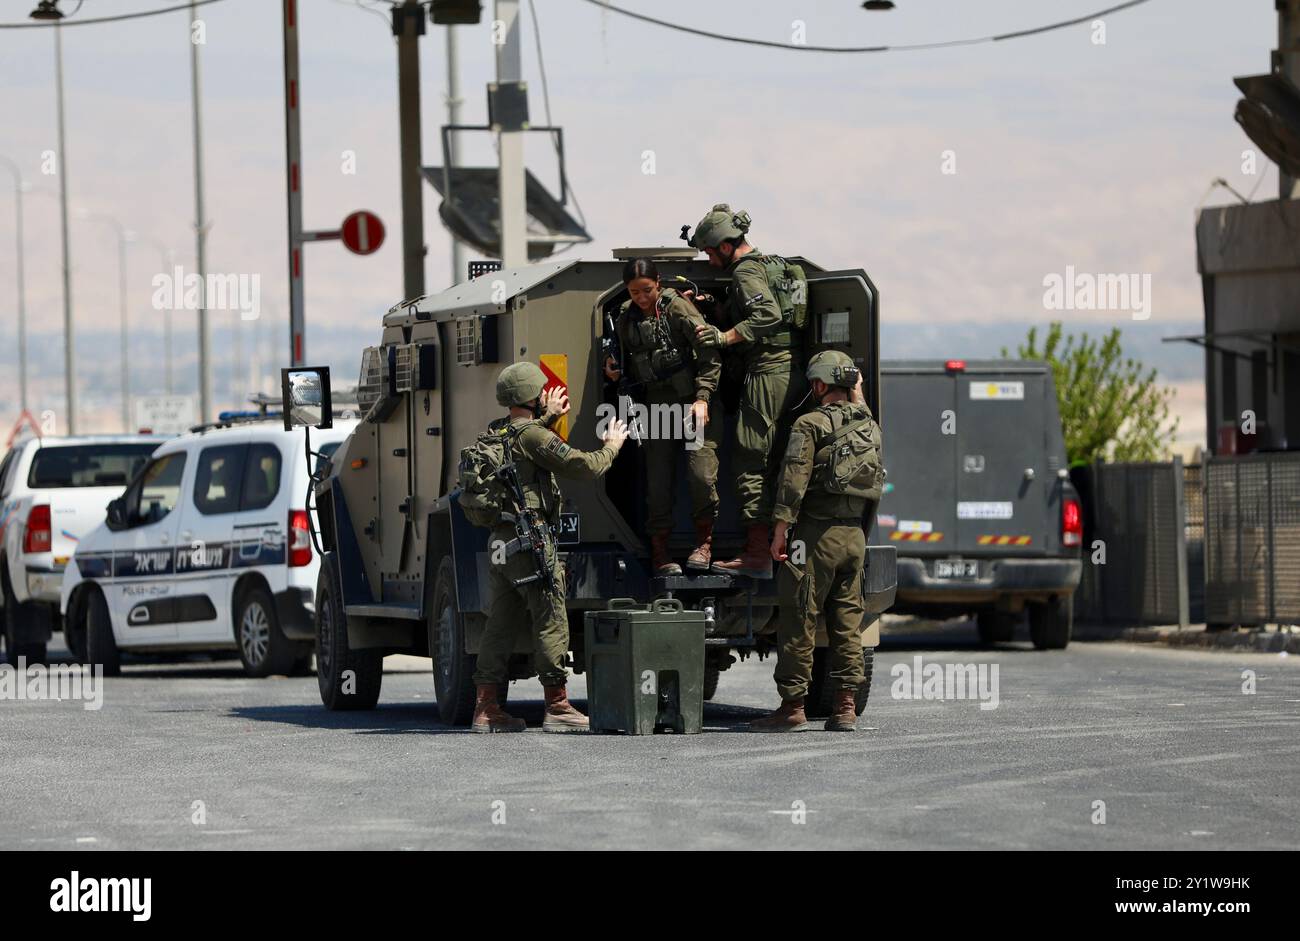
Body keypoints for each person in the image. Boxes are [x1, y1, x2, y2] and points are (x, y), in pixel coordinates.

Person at [471, 362, 629, 734]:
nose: (547, 392)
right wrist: (612, 446)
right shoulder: (535, 437)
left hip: (501, 542)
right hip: (530, 542)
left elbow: (526, 448)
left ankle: (486, 707)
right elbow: (583, 465)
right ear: (530, 395)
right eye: (541, 389)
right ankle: (557, 705)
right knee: (551, 616)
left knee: (501, 623)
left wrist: (546, 417)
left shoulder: (497, 432)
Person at [750, 351, 882, 733]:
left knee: (799, 616)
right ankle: (845, 707)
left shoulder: (809, 424)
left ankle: (792, 707)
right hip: (854, 536)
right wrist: (858, 393)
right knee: (847, 623)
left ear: (819, 385)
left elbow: (793, 480)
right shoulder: (870, 427)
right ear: (850, 384)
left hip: (814, 537)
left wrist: (779, 530)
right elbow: (864, 420)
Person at [685, 204, 808, 579]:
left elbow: (767, 315)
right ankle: (773, 543)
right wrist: (719, 309)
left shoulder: (746, 272)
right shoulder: (768, 264)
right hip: (788, 369)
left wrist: (723, 336)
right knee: (770, 456)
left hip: (768, 371)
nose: (707, 259)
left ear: (724, 246)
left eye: (708, 251)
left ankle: (757, 553)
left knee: (750, 457)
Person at [604, 258, 722, 574]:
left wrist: (703, 398)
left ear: (658, 283)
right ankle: (660, 551)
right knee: (657, 482)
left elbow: (710, 355)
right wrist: (614, 371)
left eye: (647, 290)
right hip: (657, 405)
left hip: (692, 402)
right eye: (634, 291)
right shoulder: (626, 319)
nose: (642, 297)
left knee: (701, 474)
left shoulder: (678, 309)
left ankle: (704, 543)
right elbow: (623, 358)